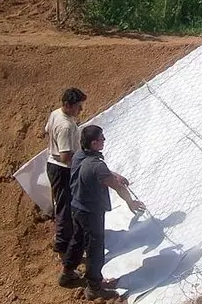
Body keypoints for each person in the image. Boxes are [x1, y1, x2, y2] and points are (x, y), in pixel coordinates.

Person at [58, 125, 146, 300]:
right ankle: (94, 287)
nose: (104, 140)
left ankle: (67, 273)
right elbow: (117, 186)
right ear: (94, 143)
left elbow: (96, 170)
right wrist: (130, 202)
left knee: (78, 239)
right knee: (95, 249)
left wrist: (113, 174)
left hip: (76, 207)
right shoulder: (97, 166)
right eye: (101, 138)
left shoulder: (78, 156)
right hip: (91, 213)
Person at [45, 87, 87, 257]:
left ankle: (67, 237)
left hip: (53, 164)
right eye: (78, 106)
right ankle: (62, 246)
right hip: (62, 170)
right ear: (68, 105)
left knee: (65, 204)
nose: (81, 110)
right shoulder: (66, 126)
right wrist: (80, 166)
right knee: (64, 207)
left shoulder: (56, 114)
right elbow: (64, 156)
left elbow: (47, 130)